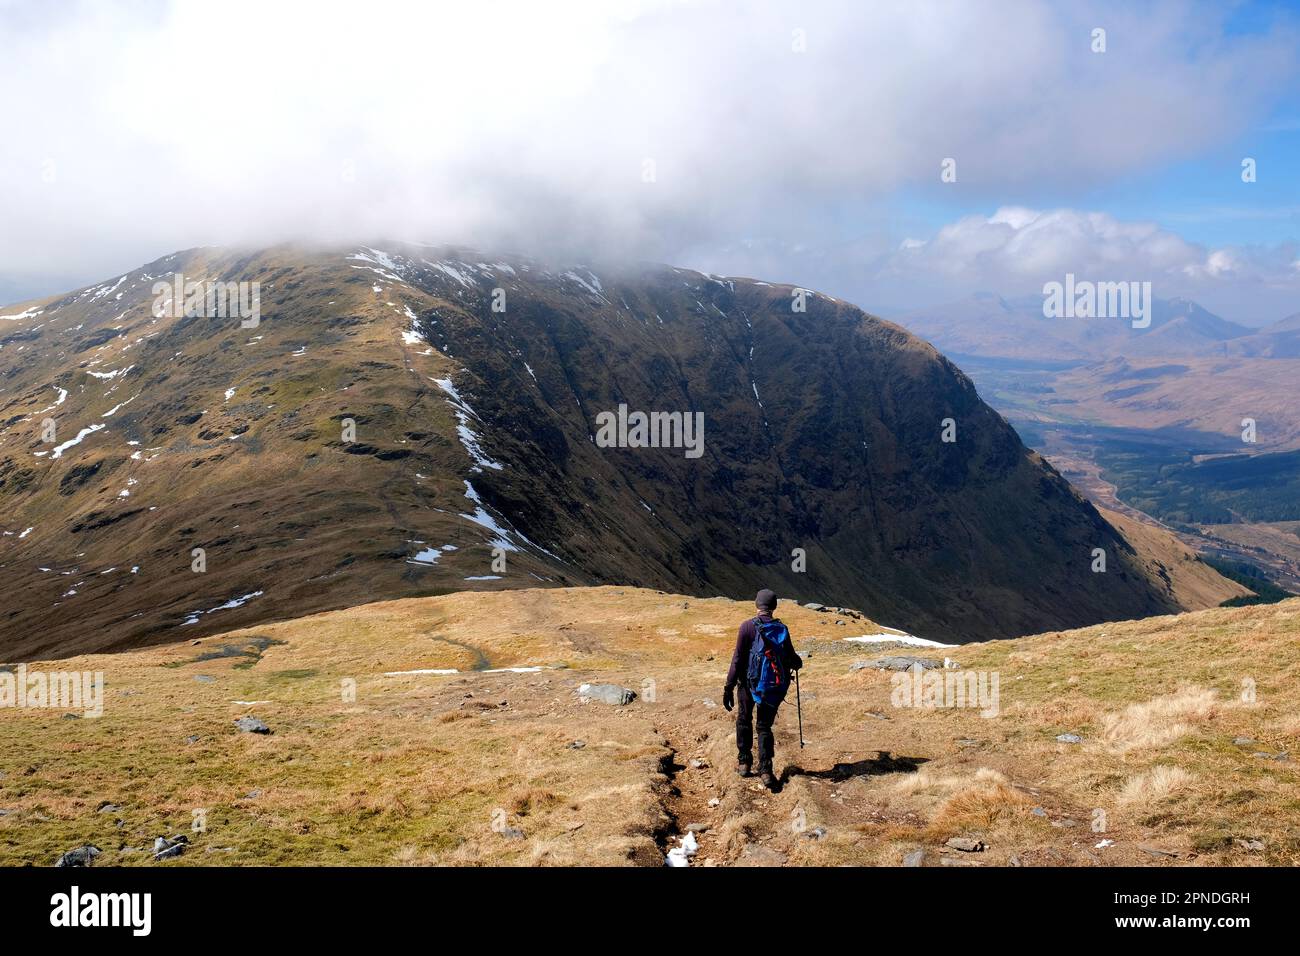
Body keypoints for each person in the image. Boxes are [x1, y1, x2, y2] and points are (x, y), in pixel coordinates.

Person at [722, 588, 802, 790]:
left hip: (748, 684)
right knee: (764, 727)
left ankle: (744, 762)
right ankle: (766, 770)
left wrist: (728, 686)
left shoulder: (747, 627)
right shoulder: (780, 629)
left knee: (744, 719)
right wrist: (797, 663)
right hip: (771, 688)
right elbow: (793, 659)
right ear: (773, 607)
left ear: (757, 605)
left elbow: (738, 659)